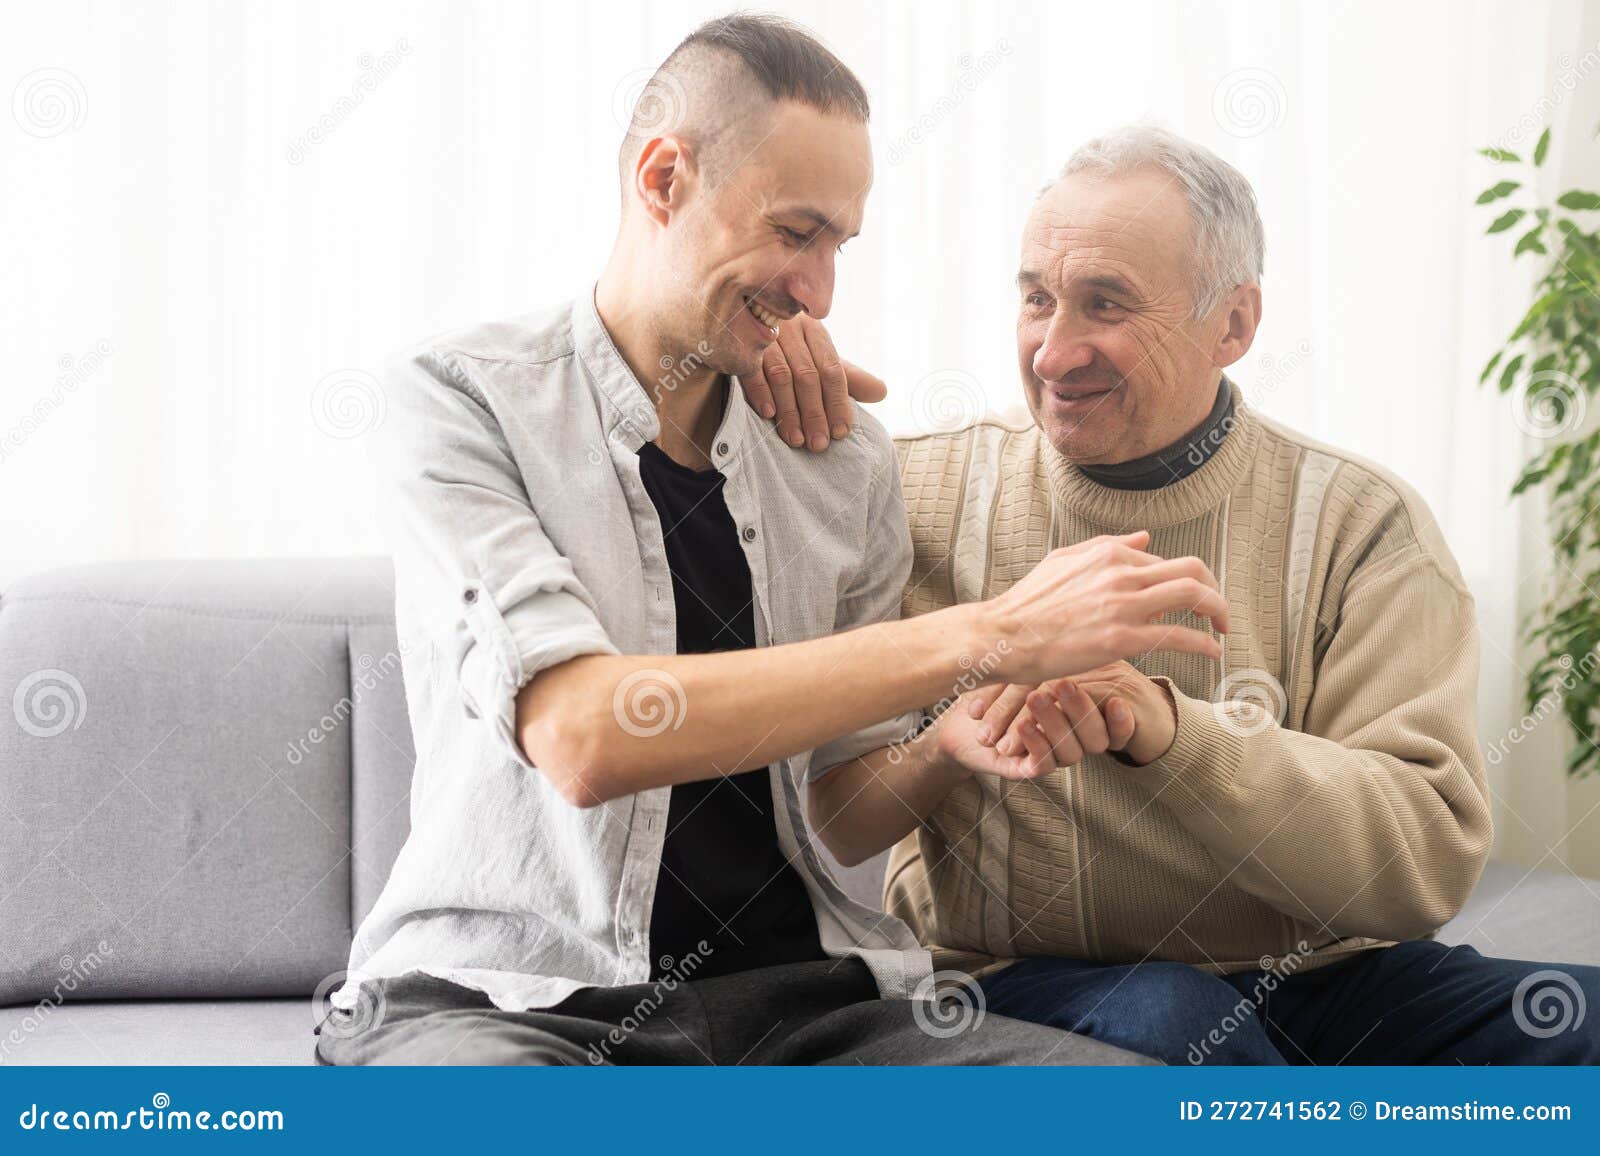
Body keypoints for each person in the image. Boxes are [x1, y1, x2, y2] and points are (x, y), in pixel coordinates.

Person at [315, 21, 1229, 1067]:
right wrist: (995, 633)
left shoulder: (837, 463)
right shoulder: (462, 401)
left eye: (837, 242)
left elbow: (837, 811)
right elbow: (582, 735)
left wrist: (941, 746)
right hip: (500, 1000)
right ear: (664, 178)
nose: (819, 290)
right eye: (795, 232)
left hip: (799, 1008)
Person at [767, 124, 1599, 1064]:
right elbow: (827, 800)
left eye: (1105, 304)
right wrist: (748, 372)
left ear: (1235, 326)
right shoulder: (912, 493)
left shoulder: (1366, 525)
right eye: (1037, 299)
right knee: (1183, 1030)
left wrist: (1169, 731)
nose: (1053, 352)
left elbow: (1428, 856)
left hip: (1326, 976)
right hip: (1019, 979)